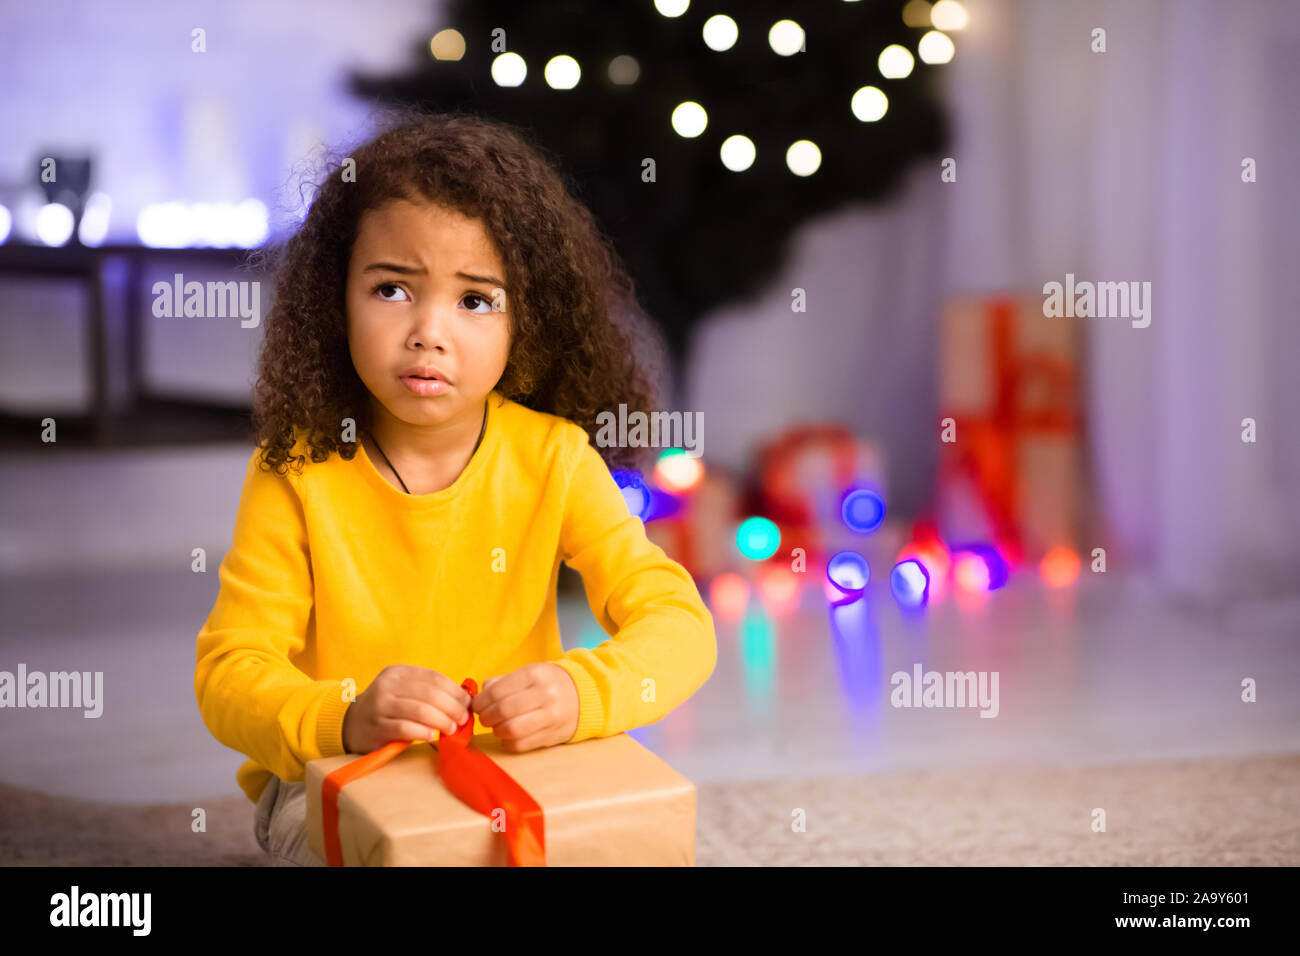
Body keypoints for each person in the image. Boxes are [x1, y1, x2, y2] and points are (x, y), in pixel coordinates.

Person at [194, 110, 717, 867]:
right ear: (333, 299)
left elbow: (680, 623)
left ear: (526, 322)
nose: (429, 332)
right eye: (392, 289)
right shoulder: (296, 470)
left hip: (517, 772)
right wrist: (345, 713)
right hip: (331, 777)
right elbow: (229, 675)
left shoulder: (555, 458)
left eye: (475, 300)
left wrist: (584, 692)